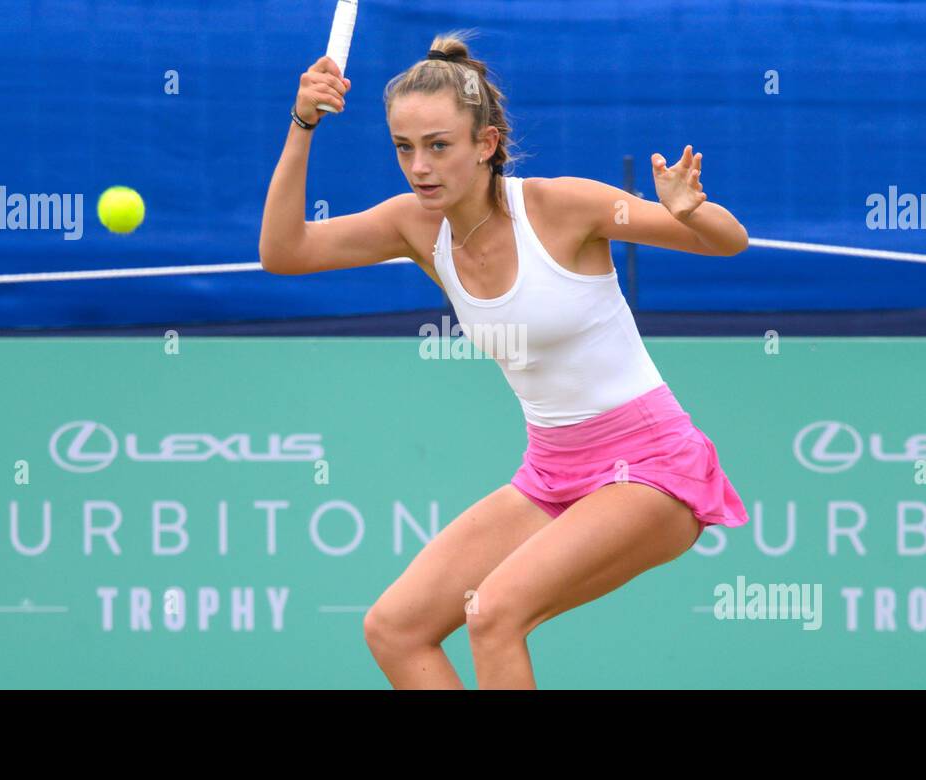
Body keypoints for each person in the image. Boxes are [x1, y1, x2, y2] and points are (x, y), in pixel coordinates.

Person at [260, 31, 751, 689]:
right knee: (395, 628)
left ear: (485, 145)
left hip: (653, 467)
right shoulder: (416, 225)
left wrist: (692, 211)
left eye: (439, 145)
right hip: (551, 474)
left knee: (493, 612)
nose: (420, 167)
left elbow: (728, 243)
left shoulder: (561, 206)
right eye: (404, 148)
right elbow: (283, 251)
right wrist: (302, 125)